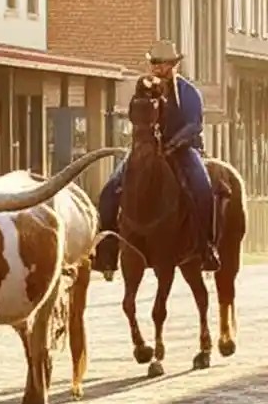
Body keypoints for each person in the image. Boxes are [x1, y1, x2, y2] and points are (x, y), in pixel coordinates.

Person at [93, 39, 219, 273]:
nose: (158, 69)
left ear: (173, 65)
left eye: (163, 65)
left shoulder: (188, 92)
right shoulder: (144, 90)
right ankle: (107, 253)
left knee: (203, 189)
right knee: (109, 190)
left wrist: (173, 144)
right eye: (155, 64)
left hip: (182, 149)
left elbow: (195, 124)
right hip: (146, 149)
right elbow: (134, 117)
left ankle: (206, 248)